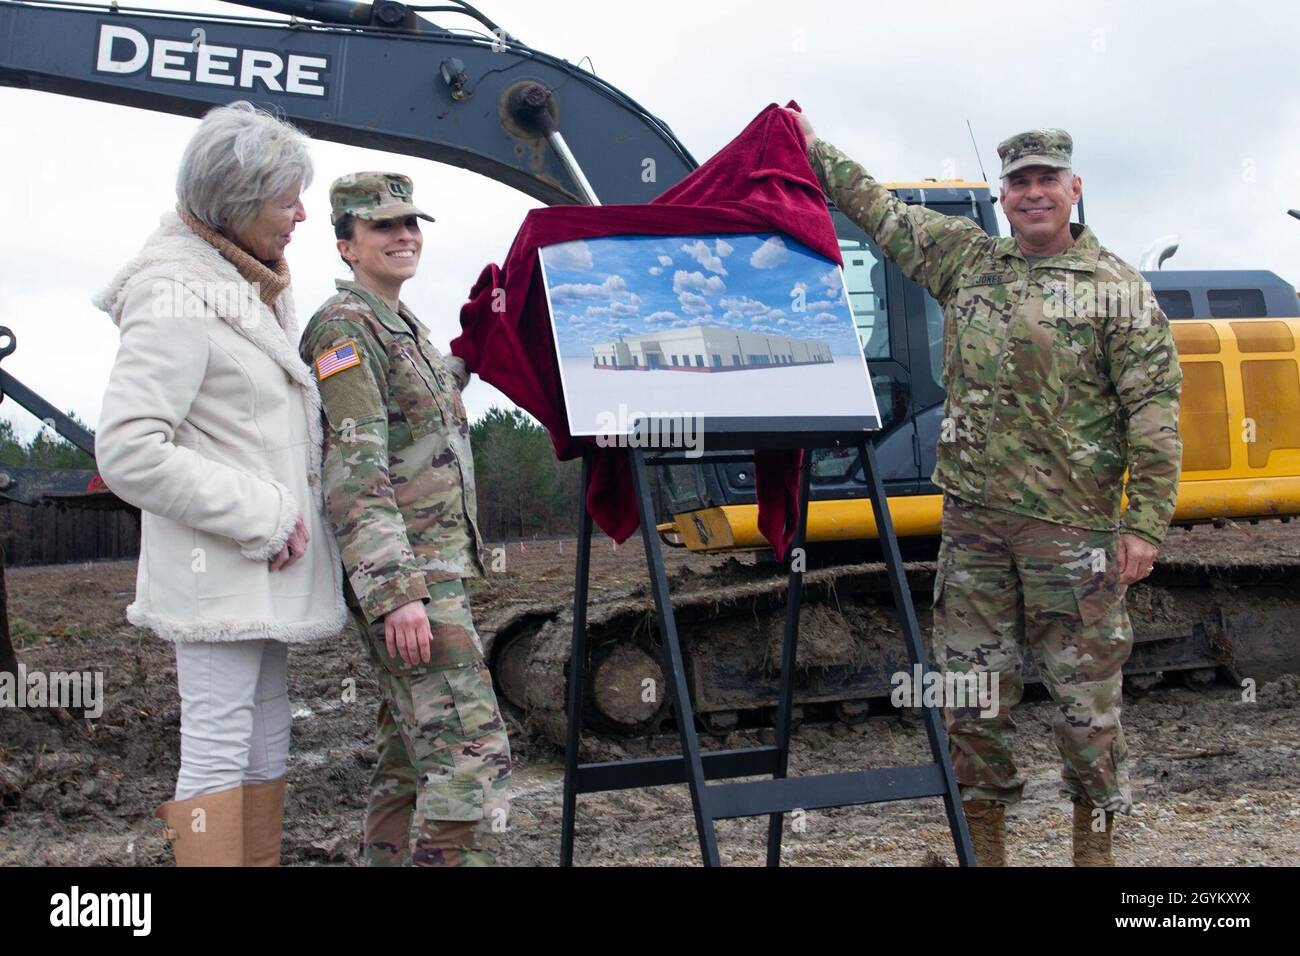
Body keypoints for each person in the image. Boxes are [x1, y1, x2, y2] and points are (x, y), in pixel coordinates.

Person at [789, 112, 1182, 866]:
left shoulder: (1115, 290)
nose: (1034, 194)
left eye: (1047, 181)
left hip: (1075, 538)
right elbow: (877, 209)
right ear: (1004, 195)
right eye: (1020, 182)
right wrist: (809, 143)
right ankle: (985, 854)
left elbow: (1155, 413)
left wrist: (1145, 526)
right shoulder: (969, 264)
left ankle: (1093, 855)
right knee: (971, 703)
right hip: (973, 532)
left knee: (1086, 711)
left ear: (1074, 189)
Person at [94, 101, 346, 867]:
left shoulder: (253, 281)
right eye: (285, 200)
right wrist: (263, 516)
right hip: (220, 570)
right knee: (214, 753)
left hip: (261, 572)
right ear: (237, 205)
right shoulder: (173, 291)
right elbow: (128, 450)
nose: (302, 214)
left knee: (267, 738)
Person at [299, 172, 511, 866]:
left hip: (430, 573)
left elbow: (417, 420)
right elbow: (355, 468)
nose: (403, 235)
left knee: (408, 750)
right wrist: (398, 596)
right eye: (382, 226)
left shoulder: (400, 327)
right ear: (346, 245)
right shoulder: (345, 327)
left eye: (410, 223)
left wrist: (468, 356)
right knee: (469, 757)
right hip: (411, 579)